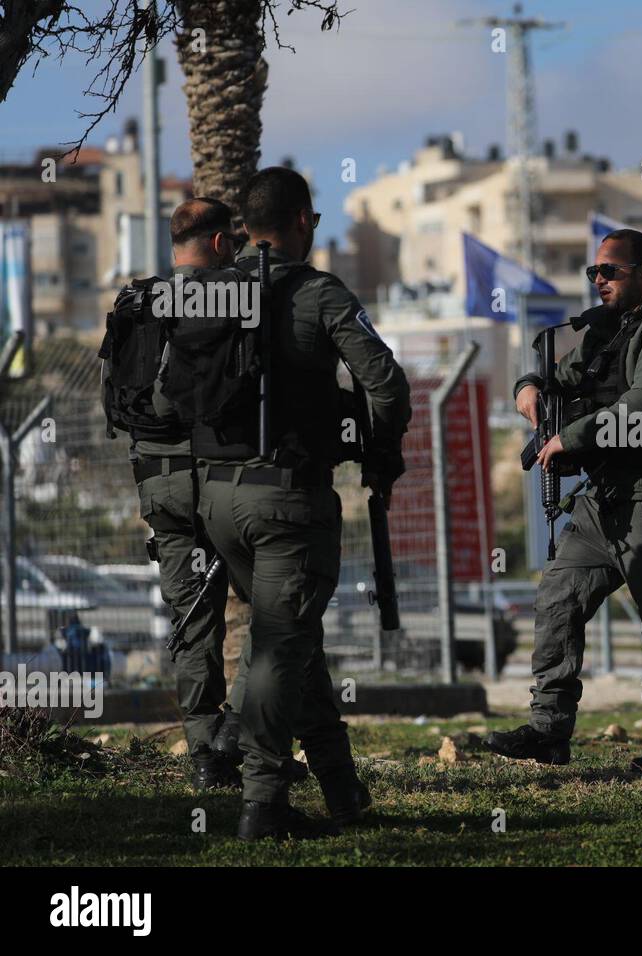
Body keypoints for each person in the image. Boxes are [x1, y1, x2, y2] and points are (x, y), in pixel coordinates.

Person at [171, 167, 410, 840]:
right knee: (279, 648)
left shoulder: (205, 293)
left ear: (241, 228)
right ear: (303, 220)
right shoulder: (316, 292)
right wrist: (379, 449)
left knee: (295, 641)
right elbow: (387, 385)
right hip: (287, 501)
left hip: (215, 499)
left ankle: (341, 791)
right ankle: (263, 802)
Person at [487, 228, 642, 774]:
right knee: (558, 598)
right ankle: (548, 731)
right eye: (594, 272)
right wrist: (529, 387)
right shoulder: (605, 333)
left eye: (610, 271)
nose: (599, 280)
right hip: (602, 499)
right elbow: (559, 377)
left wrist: (573, 438)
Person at [102, 197, 241, 790]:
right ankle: (247, 736)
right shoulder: (227, 302)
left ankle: (207, 752)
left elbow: (117, 401)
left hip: (158, 487)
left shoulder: (137, 304)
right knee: (271, 613)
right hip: (223, 481)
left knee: (191, 620)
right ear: (217, 244)